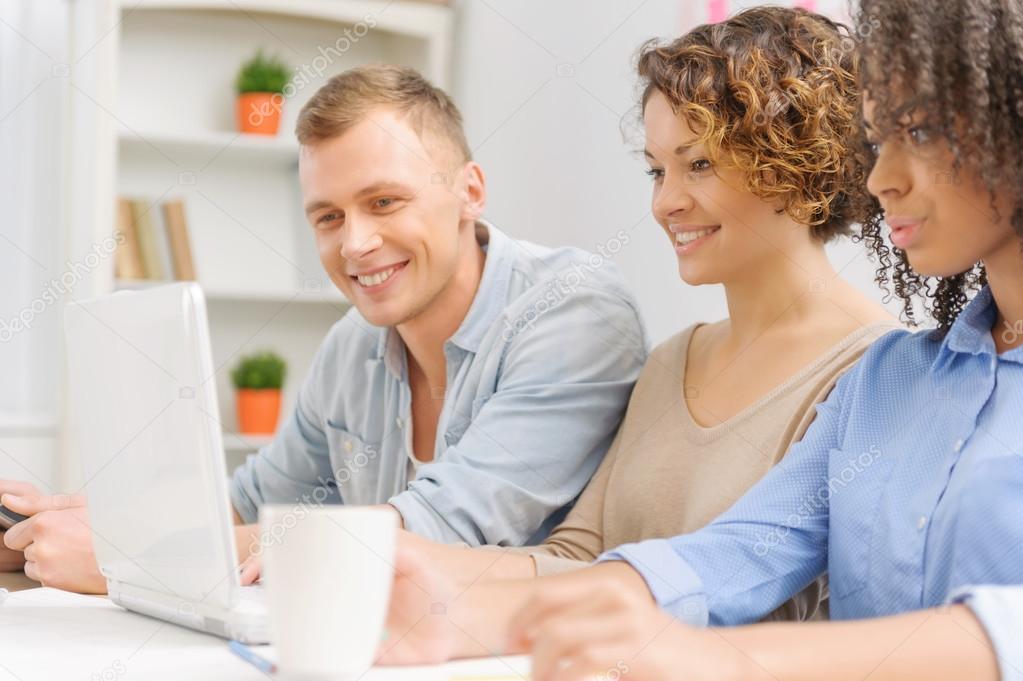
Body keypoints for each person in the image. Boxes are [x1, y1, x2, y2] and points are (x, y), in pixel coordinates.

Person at [377, 2, 1023, 679]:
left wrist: (710, 656)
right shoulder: (889, 378)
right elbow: (736, 550)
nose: (878, 178)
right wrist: (470, 614)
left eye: (917, 130)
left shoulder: (854, 357)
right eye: (875, 139)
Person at [0, 64, 647, 593]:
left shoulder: (572, 308)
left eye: (383, 202)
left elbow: (440, 527)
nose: (356, 244)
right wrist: (61, 526)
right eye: (328, 217)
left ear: (469, 191)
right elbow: (253, 502)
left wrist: (127, 553)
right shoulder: (354, 344)